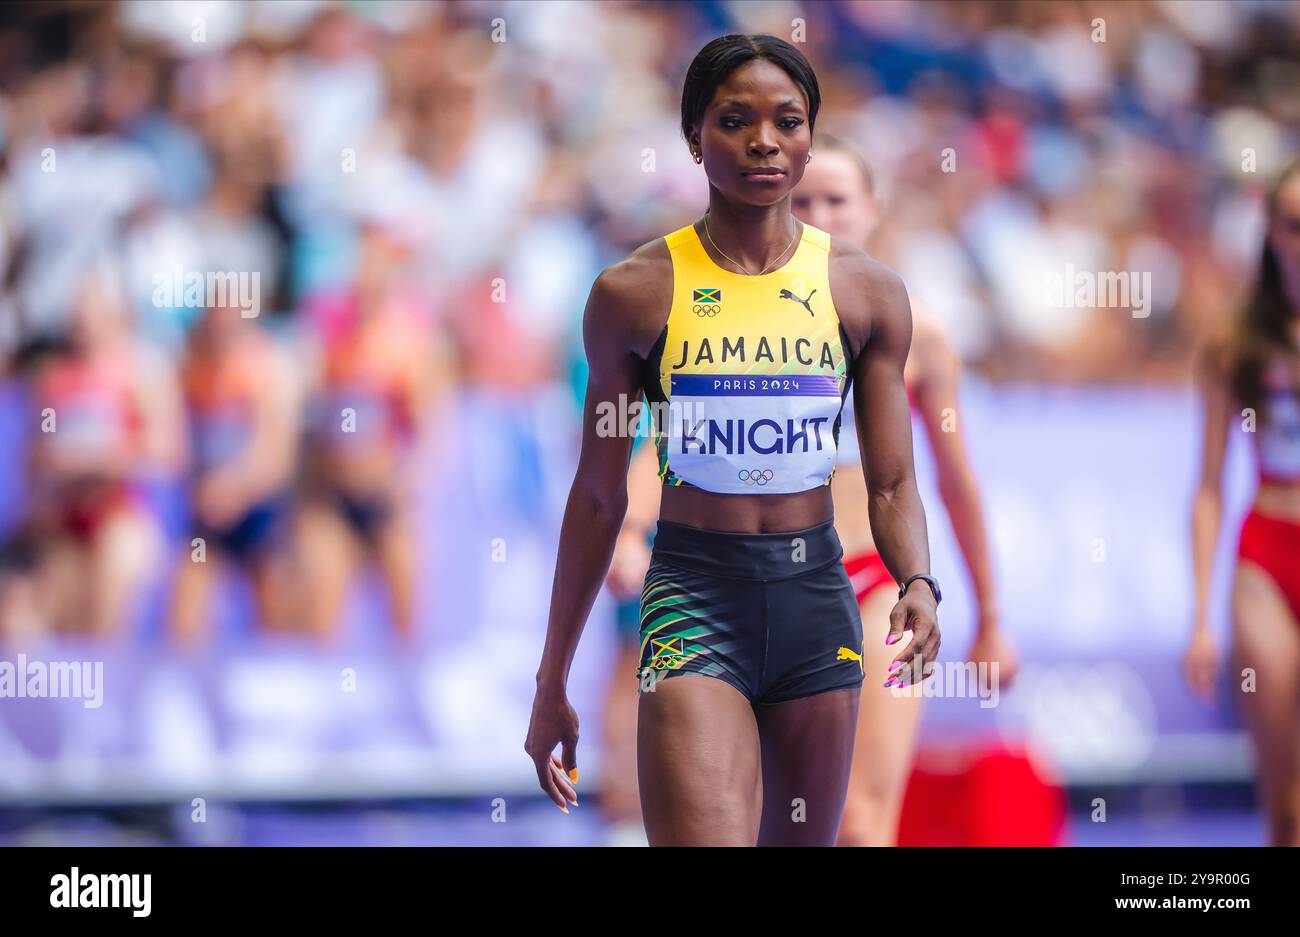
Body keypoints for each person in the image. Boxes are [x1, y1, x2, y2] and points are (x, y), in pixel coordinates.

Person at [526, 34, 940, 846]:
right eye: (734, 120)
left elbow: (893, 484)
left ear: (809, 137)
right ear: (693, 138)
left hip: (817, 601)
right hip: (693, 596)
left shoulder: (865, 293)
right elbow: (601, 492)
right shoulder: (633, 293)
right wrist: (553, 677)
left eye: (787, 121)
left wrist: (918, 578)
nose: (763, 141)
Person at [608, 132, 1016, 846]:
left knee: (860, 822)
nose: (821, 212)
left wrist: (991, 615)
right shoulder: (725, 315)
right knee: (752, 811)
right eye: (804, 199)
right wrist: (631, 530)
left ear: (872, 209)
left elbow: (955, 482)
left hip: (872, 582)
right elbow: (669, 442)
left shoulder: (917, 330)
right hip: (743, 578)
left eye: (838, 199)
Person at [1187, 157, 1300, 846]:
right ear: (1272, 235)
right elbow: (1206, 485)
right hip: (1267, 553)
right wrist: (1201, 615)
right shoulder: (1237, 346)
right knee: (1286, 801)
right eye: (1294, 226)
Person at [23, 260, 184, 637]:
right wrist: (55, 462)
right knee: (51, 606)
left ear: (114, 316)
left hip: (122, 512)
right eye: (78, 317)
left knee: (111, 583)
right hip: (66, 516)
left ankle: (110, 678)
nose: (84, 325)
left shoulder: (140, 374)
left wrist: (107, 459)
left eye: (92, 315)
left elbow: (167, 450)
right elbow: (36, 451)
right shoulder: (53, 378)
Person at [170, 304, 300, 643]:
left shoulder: (266, 369)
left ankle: (278, 673)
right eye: (214, 319)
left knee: (273, 595)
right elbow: (179, 449)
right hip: (208, 513)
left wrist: (234, 490)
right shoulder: (191, 370)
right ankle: (185, 678)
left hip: (257, 507)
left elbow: (277, 457)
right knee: (188, 589)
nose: (220, 328)